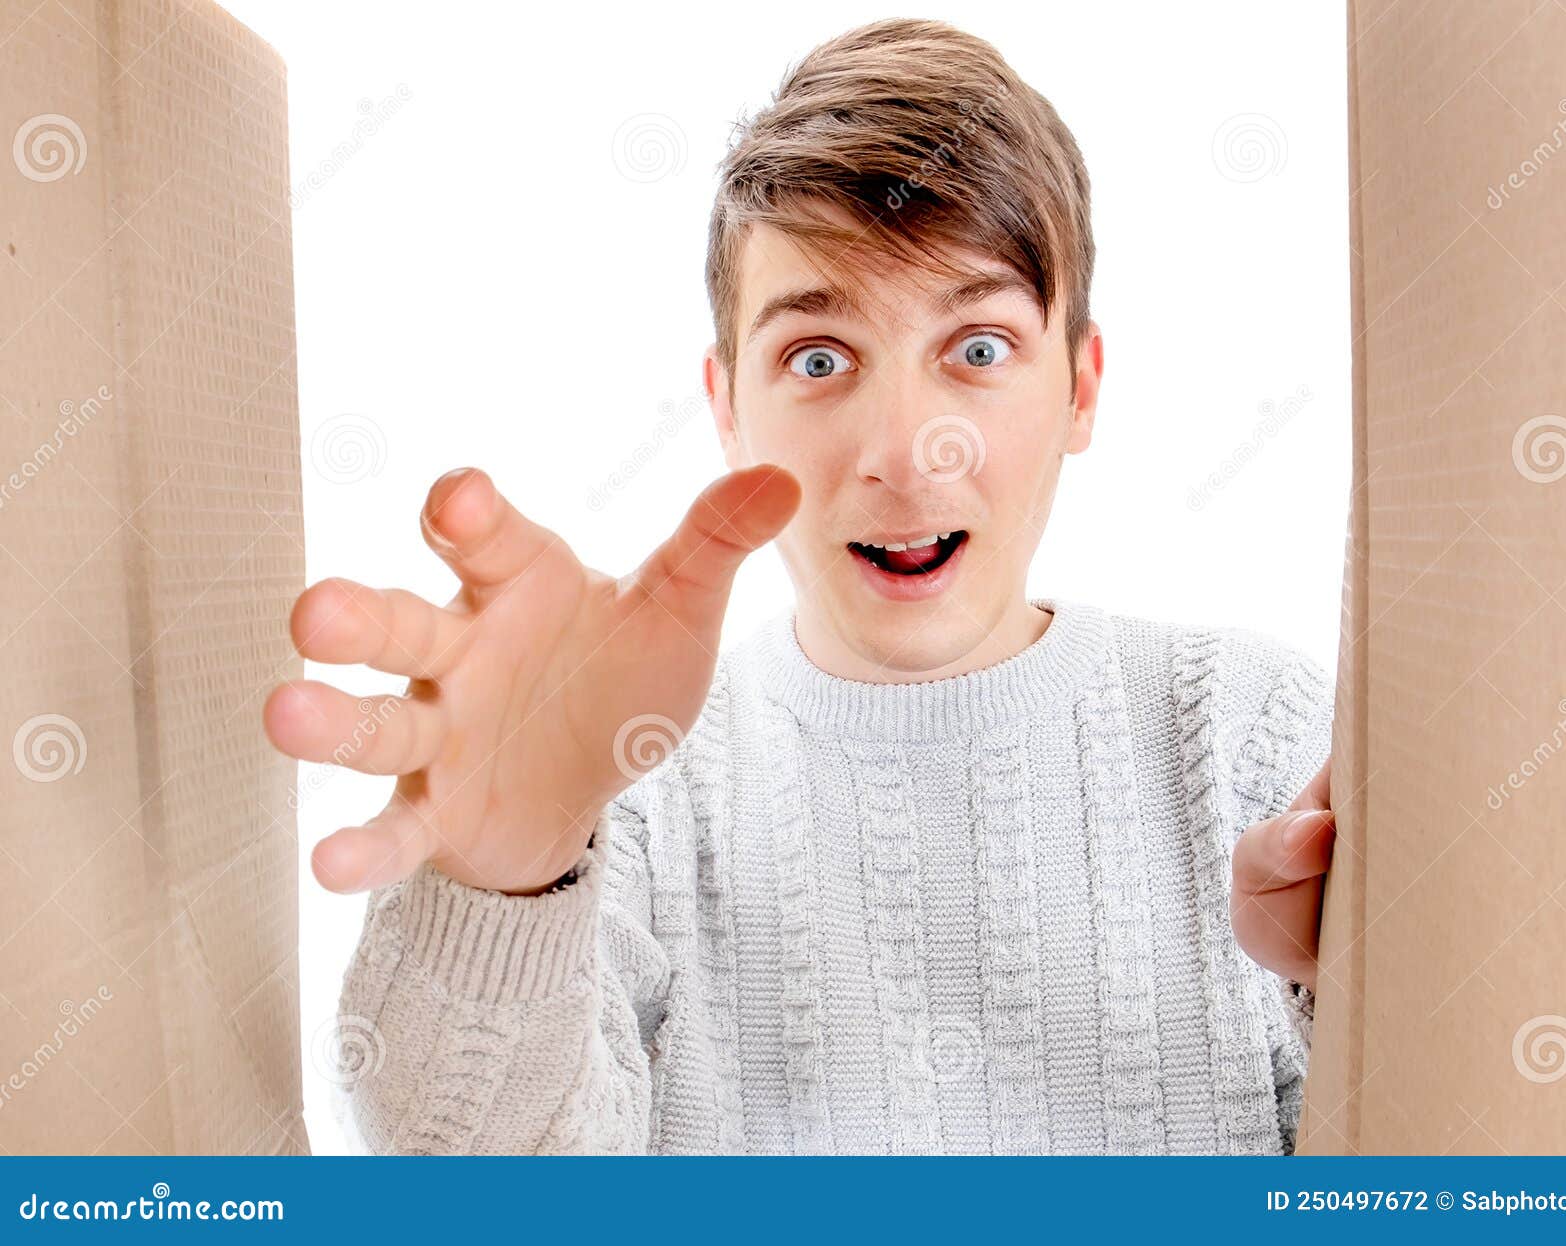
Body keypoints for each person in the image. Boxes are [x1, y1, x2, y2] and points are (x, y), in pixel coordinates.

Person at [264, 17, 1337, 1155]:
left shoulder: (1251, 737)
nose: (903, 448)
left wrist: (1355, 995)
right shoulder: (631, 783)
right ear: (727, 407)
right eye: (818, 359)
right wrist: (500, 889)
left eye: (976, 348)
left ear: (1079, 385)